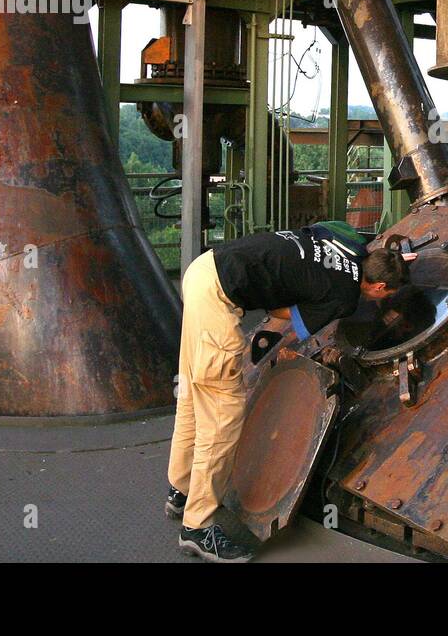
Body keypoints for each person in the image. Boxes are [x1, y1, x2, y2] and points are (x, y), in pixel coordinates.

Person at [165, 226, 409, 562]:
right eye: (387, 293)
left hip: (204, 269)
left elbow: (335, 233)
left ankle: (182, 487)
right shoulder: (344, 297)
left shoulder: (352, 245)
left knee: (195, 392)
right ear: (379, 286)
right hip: (219, 297)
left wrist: (394, 261)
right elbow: (286, 316)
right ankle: (197, 526)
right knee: (223, 418)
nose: (385, 299)